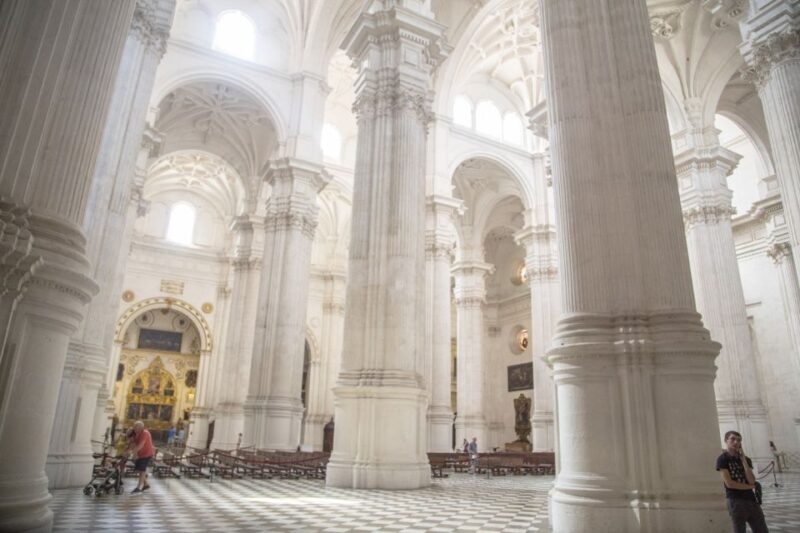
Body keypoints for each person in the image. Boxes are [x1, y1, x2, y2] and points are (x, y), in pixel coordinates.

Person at [716, 430, 769, 533]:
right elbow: (729, 484)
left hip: (751, 500)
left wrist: (743, 459)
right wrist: (751, 486)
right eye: (733, 439)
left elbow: (751, 480)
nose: (736, 442)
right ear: (726, 440)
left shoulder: (746, 459)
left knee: (762, 530)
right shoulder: (722, 459)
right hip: (735, 501)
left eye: (739, 440)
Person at [129, 420, 155, 494]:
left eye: (136, 427)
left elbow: (141, 445)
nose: (134, 428)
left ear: (141, 427)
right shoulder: (137, 433)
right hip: (140, 454)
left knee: (142, 470)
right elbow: (133, 443)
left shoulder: (145, 433)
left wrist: (133, 453)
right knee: (139, 470)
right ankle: (146, 484)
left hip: (146, 454)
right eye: (134, 427)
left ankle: (139, 487)